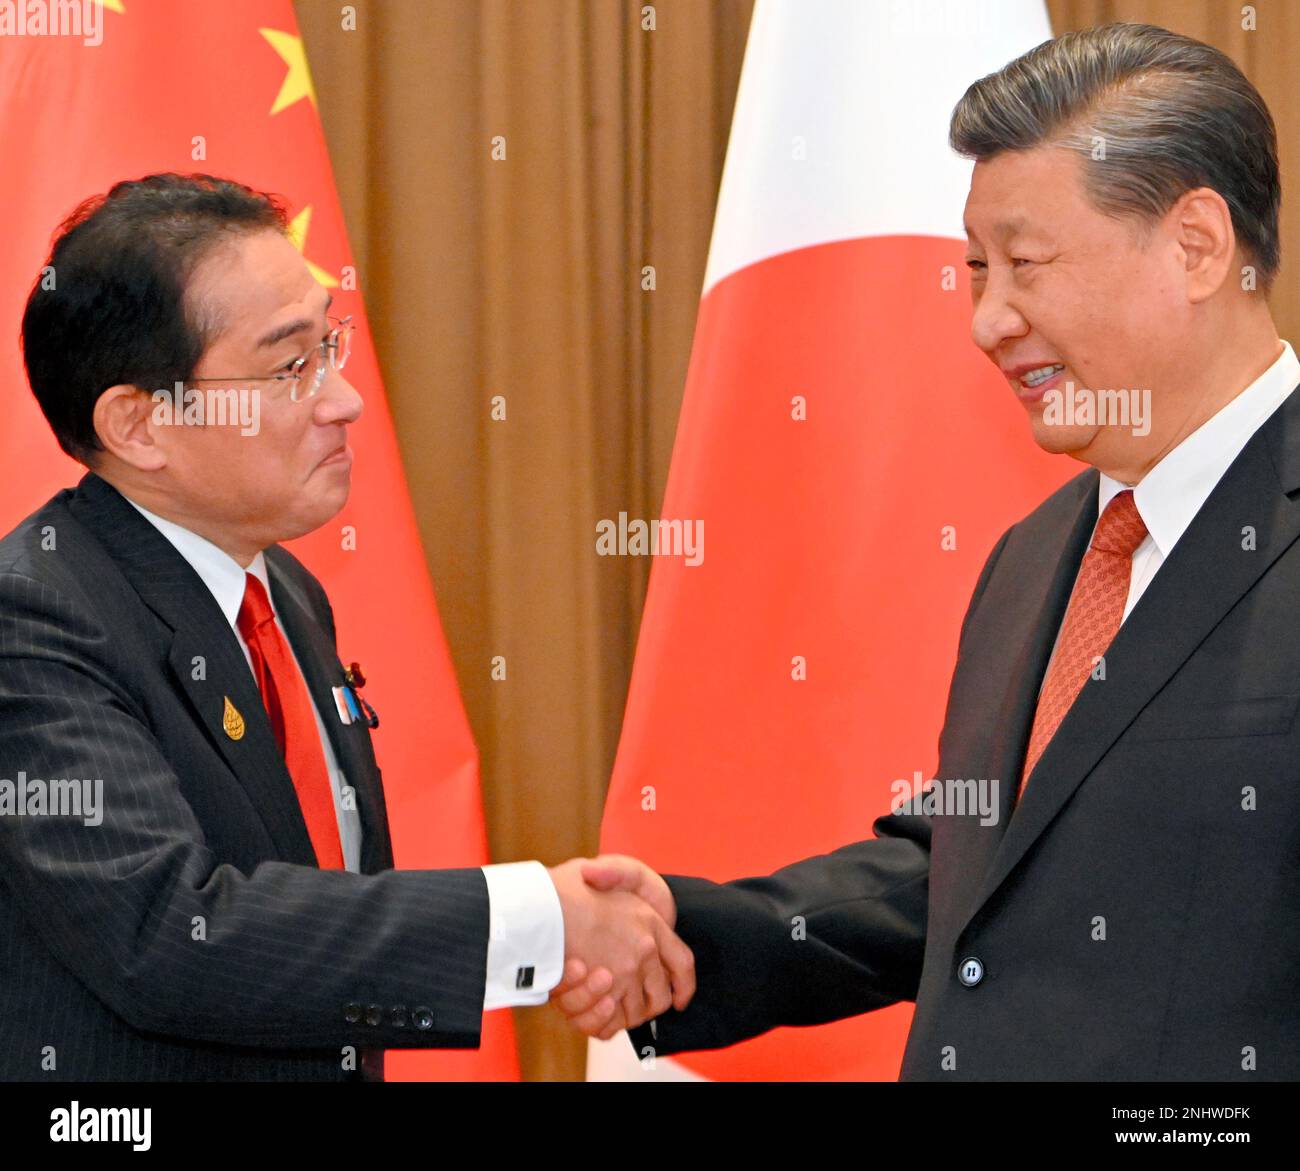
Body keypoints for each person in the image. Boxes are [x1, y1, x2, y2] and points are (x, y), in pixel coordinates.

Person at [553, 22, 1300, 1080]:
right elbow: (974, 872)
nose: (989, 321)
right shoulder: (1036, 555)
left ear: (1195, 246)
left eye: (1025, 267)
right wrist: (690, 935)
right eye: (974, 270)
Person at [0, 173, 693, 1081]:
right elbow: (171, 932)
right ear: (139, 424)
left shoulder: (283, 591)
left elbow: (323, 912)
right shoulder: (37, 617)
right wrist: (538, 917)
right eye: (291, 367)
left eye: (331, 345)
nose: (344, 399)